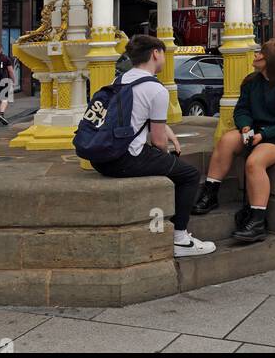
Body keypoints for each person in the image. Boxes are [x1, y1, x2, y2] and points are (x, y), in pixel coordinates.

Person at [89, 34, 215, 258]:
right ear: (155, 53)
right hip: (124, 160)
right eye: (163, 53)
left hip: (101, 158)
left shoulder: (121, 80)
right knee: (189, 174)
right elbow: (157, 141)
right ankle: (180, 239)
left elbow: (139, 116)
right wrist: (167, 158)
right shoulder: (156, 89)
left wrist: (168, 132)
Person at [192, 39, 275, 244]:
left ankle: (257, 222)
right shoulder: (251, 82)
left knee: (254, 162)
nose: (256, 55)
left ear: (271, 60)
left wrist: (264, 134)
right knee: (227, 140)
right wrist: (246, 127)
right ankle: (210, 194)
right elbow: (242, 110)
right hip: (260, 130)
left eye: (261, 53)